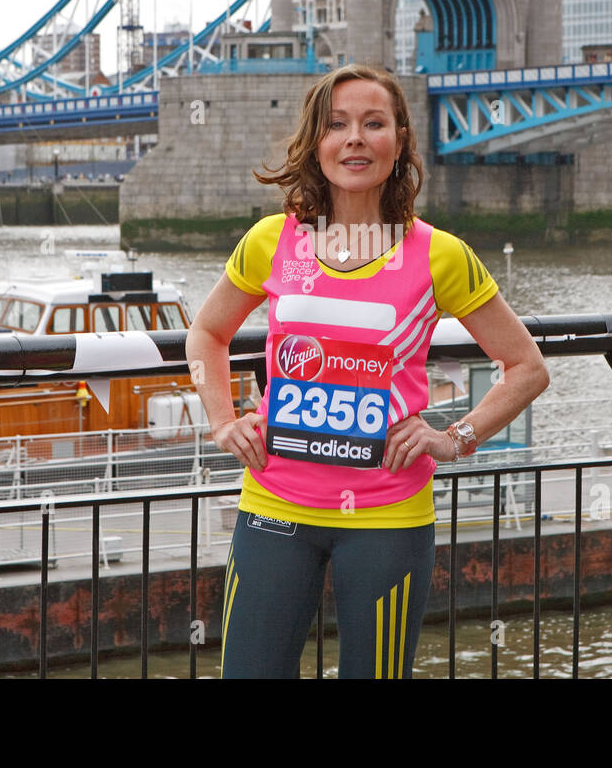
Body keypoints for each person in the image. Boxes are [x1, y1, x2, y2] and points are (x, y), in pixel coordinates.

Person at [185, 63, 549, 679]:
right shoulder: (273, 240)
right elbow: (207, 333)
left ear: (399, 141)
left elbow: (526, 367)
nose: (355, 138)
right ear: (317, 143)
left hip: (387, 518)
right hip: (276, 503)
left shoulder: (439, 254)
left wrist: (453, 438)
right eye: (337, 125)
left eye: (373, 123)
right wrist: (223, 421)